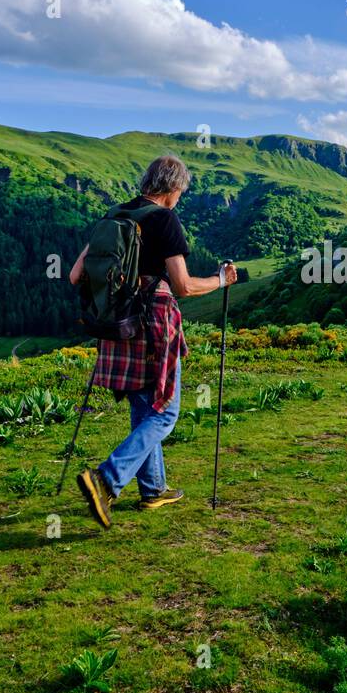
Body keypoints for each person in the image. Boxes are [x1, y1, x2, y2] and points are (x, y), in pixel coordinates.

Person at [69, 155, 237, 528]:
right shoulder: (164, 219)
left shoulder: (116, 214)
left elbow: (75, 275)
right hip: (152, 319)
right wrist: (222, 281)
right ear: (174, 188)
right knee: (165, 413)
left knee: (144, 405)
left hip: (117, 320)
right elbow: (184, 286)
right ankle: (106, 479)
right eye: (181, 192)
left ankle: (153, 489)